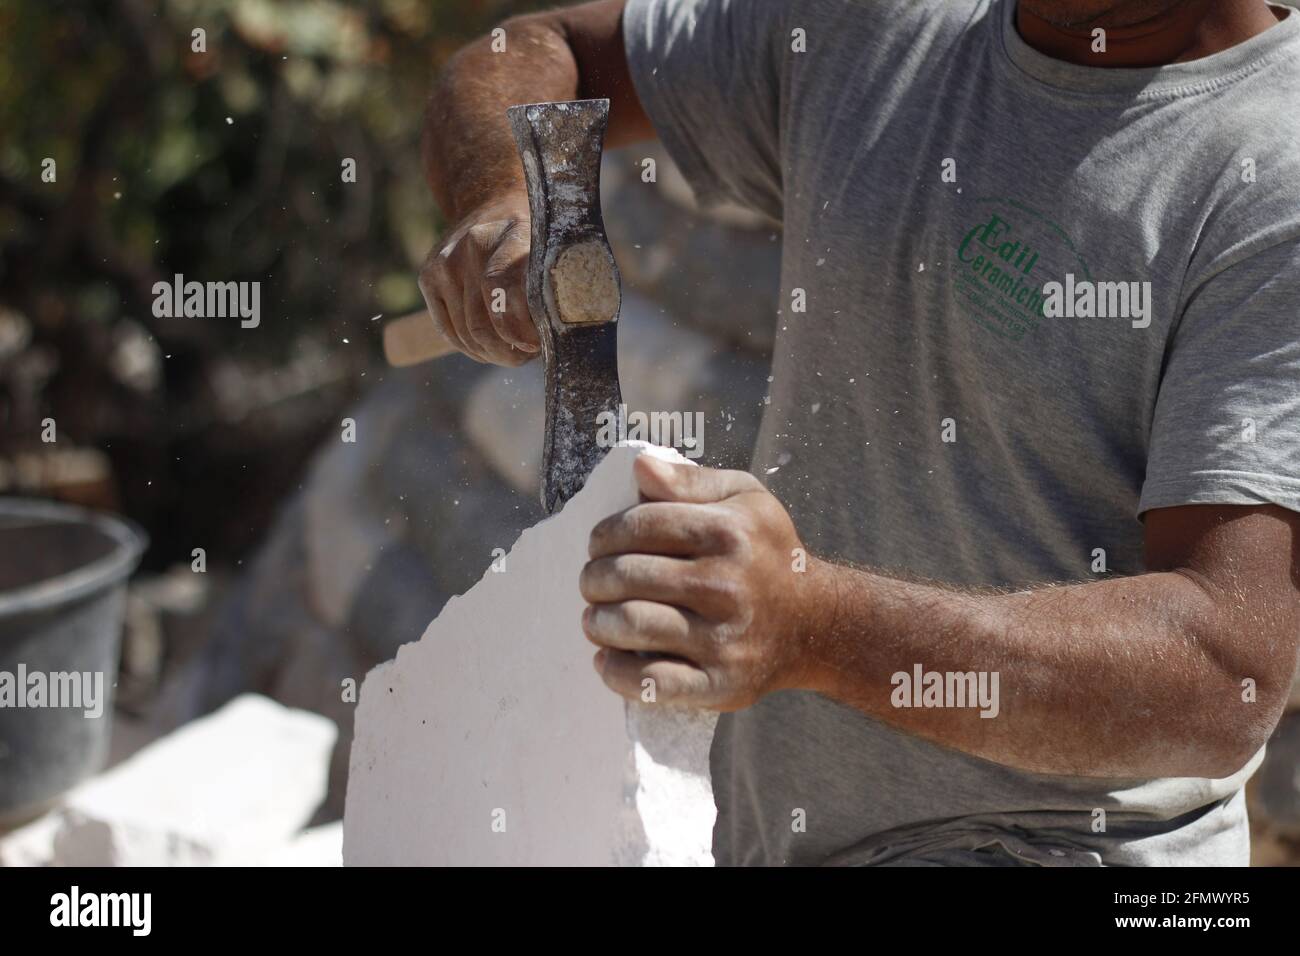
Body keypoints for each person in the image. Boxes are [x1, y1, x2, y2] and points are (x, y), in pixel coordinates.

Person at [417, 0, 1300, 865]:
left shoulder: (1269, 178)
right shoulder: (881, 25)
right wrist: (509, 198)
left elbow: (1224, 673)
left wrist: (815, 625)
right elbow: (539, 47)